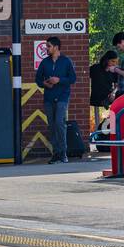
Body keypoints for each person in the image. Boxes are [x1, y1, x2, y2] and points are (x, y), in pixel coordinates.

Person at [34, 36, 77, 164]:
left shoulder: (66, 61)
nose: (46, 48)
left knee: (59, 123)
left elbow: (73, 79)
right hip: (48, 97)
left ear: (56, 47)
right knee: (52, 126)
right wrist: (44, 84)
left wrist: (59, 80)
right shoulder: (44, 62)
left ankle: (63, 153)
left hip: (62, 96)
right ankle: (56, 153)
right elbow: (38, 79)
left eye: (48, 46)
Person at [89, 50, 119, 135]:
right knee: (96, 122)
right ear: (107, 59)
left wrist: (113, 93)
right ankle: (98, 136)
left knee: (110, 118)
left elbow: (117, 86)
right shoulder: (95, 68)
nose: (114, 63)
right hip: (96, 98)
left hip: (108, 99)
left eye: (116, 62)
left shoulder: (114, 71)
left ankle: (109, 135)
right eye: (112, 61)